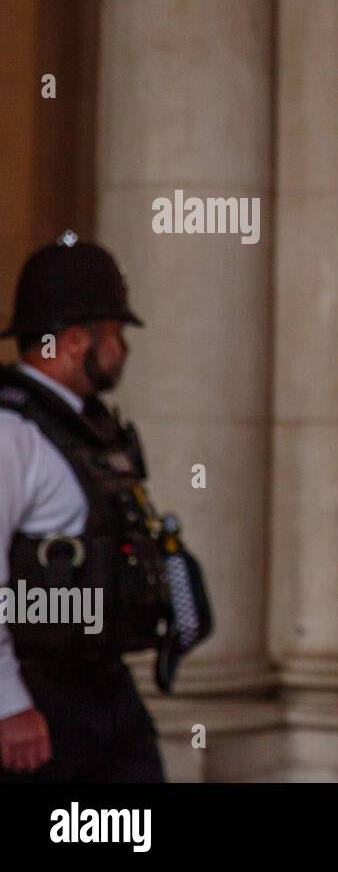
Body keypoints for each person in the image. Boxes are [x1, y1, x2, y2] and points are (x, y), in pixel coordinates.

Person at [0, 232, 167, 782]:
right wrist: (8, 701)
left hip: (106, 689)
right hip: (39, 701)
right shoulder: (10, 432)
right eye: (117, 334)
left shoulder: (88, 425)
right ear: (75, 340)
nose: (125, 349)